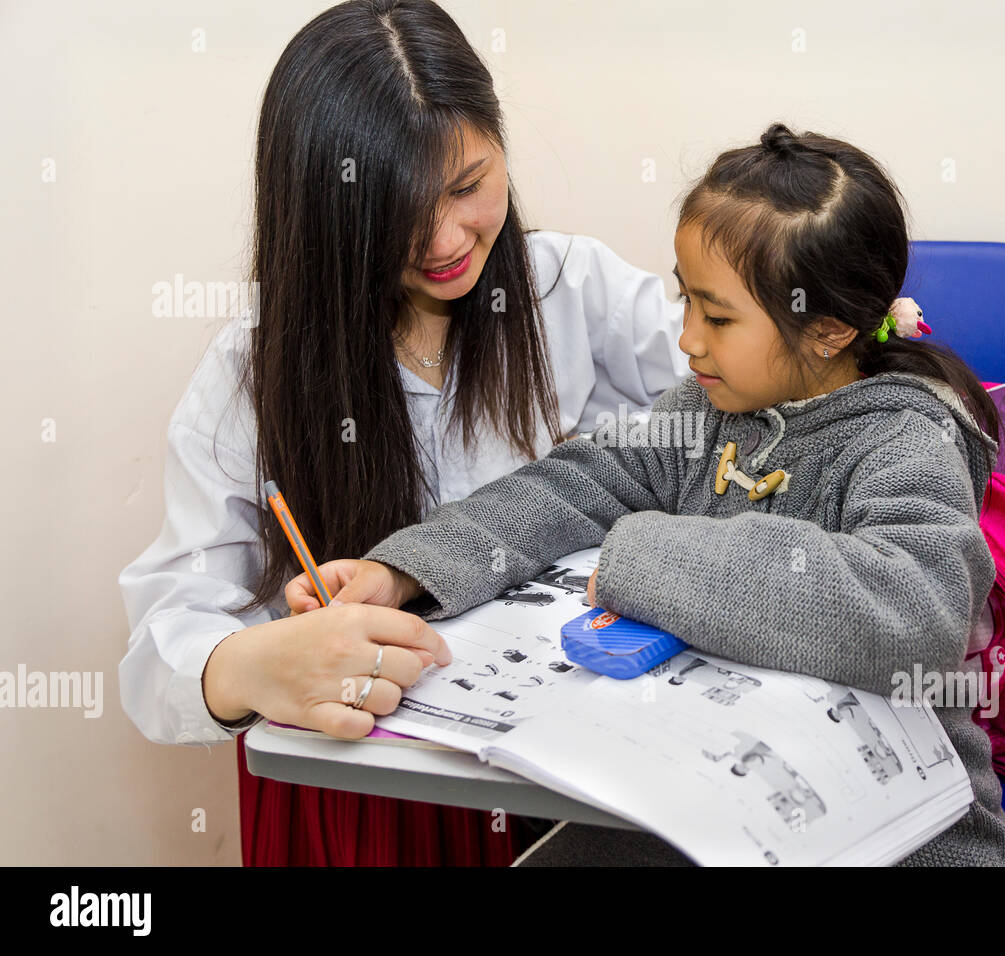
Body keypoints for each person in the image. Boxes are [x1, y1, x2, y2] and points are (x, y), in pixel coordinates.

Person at [284, 122, 1005, 866]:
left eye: (718, 316)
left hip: (902, 833)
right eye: (686, 303)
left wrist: (646, 552)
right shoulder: (705, 411)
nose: (688, 340)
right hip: (707, 803)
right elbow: (579, 483)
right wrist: (404, 572)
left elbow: (915, 610)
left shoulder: (907, 438)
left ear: (829, 329)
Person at [117, 0, 693, 866]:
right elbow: (158, 655)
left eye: (468, 186)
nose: (444, 239)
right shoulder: (254, 369)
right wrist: (249, 666)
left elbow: (746, 386)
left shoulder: (572, 292)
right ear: (322, 213)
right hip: (363, 796)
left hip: (564, 774)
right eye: (394, 212)